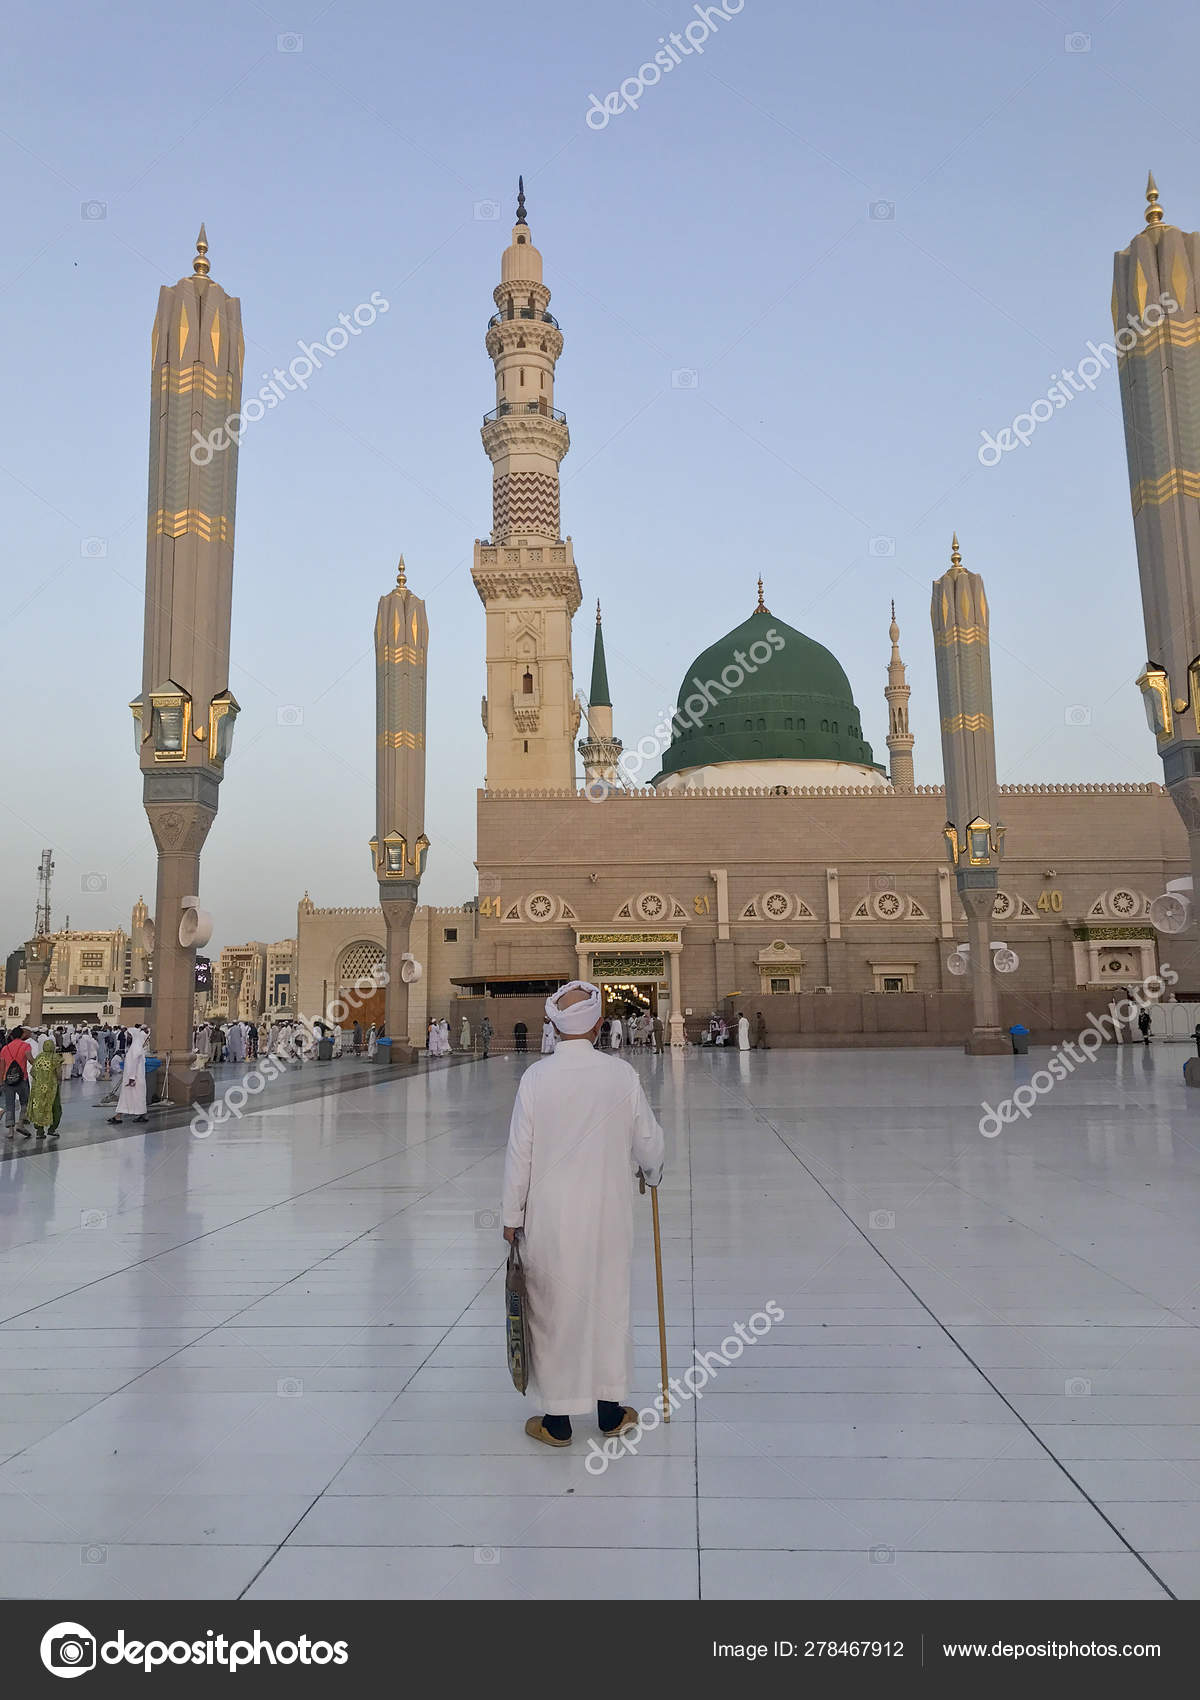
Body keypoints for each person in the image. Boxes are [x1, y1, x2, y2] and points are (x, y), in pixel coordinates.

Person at [502, 981, 665, 1447]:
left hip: (550, 1217)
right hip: (608, 1214)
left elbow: (520, 1154)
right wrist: (652, 1171)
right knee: (608, 1303)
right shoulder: (621, 1077)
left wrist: (511, 1214)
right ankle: (611, 1411)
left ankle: (557, 1421)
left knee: (553, 1310)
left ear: (554, 1025)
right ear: (597, 1025)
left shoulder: (536, 1078)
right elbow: (649, 1143)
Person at [108, 1027, 149, 1124]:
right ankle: (140, 1115)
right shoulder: (136, 1046)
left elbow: (133, 1064)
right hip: (135, 1078)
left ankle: (119, 1116)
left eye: (129, 1036)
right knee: (135, 1097)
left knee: (127, 1098)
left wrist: (131, 1078)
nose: (128, 1037)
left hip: (134, 1079)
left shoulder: (135, 1048)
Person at [2, 1027, 34, 1138]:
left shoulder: (5, 1048)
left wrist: (1, 1082)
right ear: (21, 1035)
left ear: (11, 1036)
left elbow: (2, 1067)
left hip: (8, 1080)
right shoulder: (26, 1046)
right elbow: (30, 1059)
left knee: (9, 1104)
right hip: (22, 1079)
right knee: (25, 1102)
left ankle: (10, 1132)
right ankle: (20, 1124)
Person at [27, 1039, 62, 1140]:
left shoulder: (38, 1057)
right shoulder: (55, 1058)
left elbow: (32, 1072)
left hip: (38, 1089)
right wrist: (57, 1080)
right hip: (52, 1089)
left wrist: (40, 1079)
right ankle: (52, 1129)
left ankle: (39, 1131)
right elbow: (59, 1073)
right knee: (55, 1108)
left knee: (40, 1108)